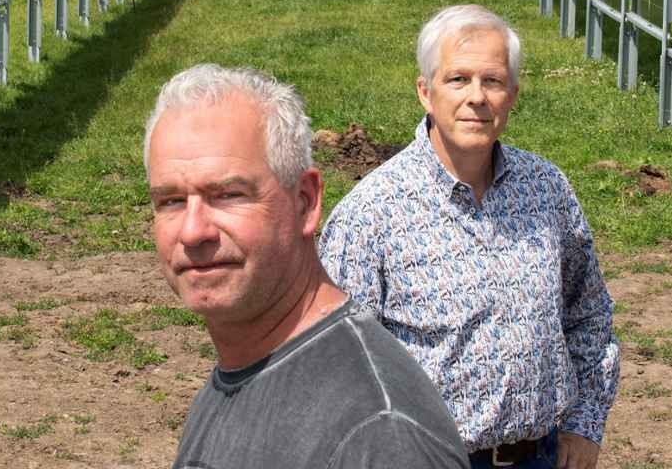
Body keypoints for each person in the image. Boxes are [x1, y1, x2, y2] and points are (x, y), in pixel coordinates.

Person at [320, 5, 620, 469]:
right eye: (458, 79)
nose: (476, 97)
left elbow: (589, 314)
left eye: (492, 81)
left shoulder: (546, 189)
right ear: (426, 92)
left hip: (540, 456)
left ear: (512, 95)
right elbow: (337, 364)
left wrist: (584, 424)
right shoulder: (372, 214)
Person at [145, 64, 466, 469]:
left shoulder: (377, 434)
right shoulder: (242, 368)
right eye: (171, 201)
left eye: (228, 195)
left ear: (306, 202)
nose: (193, 232)